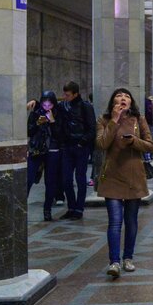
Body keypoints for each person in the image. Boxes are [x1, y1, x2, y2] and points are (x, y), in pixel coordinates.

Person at [95, 88, 153, 279]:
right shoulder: (104, 120)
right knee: (115, 221)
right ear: (113, 102)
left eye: (127, 96)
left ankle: (128, 257)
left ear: (131, 102)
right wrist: (114, 120)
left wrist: (134, 141)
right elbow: (102, 144)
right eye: (119, 96)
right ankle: (114, 262)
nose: (123, 98)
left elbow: (150, 145)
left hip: (134, 176)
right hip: (112, 176)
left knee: (131, 220)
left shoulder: (139, 119)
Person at [59, 81, 97, 220]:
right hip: (68, 147)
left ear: (75, 94)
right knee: (66, 179)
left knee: (80, 178)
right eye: (64, 94)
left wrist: (82, 142)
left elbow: (92, 128)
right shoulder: (63, 106)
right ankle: (71, 207)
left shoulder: (85, 107)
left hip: (81, 147)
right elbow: (48, 105)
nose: (65, 97)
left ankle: (79, 208)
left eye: (68, 95)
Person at [27, 90, 65, 221]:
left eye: (50, 105)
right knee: (29, 178)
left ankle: (47, 209)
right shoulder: (36, 113)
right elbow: (29, 131)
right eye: (44, 105)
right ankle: (21, 207)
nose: (47, 107)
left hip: (53, 151)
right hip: (37, 150)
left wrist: (52, 121)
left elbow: (60, 135)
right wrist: (38, 123)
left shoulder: (59, 114)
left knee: (51, 181)